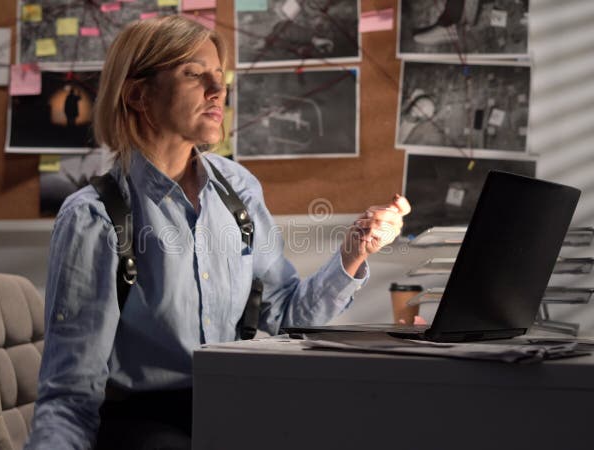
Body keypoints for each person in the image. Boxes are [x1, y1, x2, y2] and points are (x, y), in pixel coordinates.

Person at [25, 16, 411, 450]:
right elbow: (70, 395)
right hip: (143, 424)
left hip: (232, 405)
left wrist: (354, 253)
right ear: (137, 95)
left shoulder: (237, 189)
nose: (218, 89)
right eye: (193, 74)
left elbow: (287, 315)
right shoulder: (92, 216)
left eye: (219, 75)